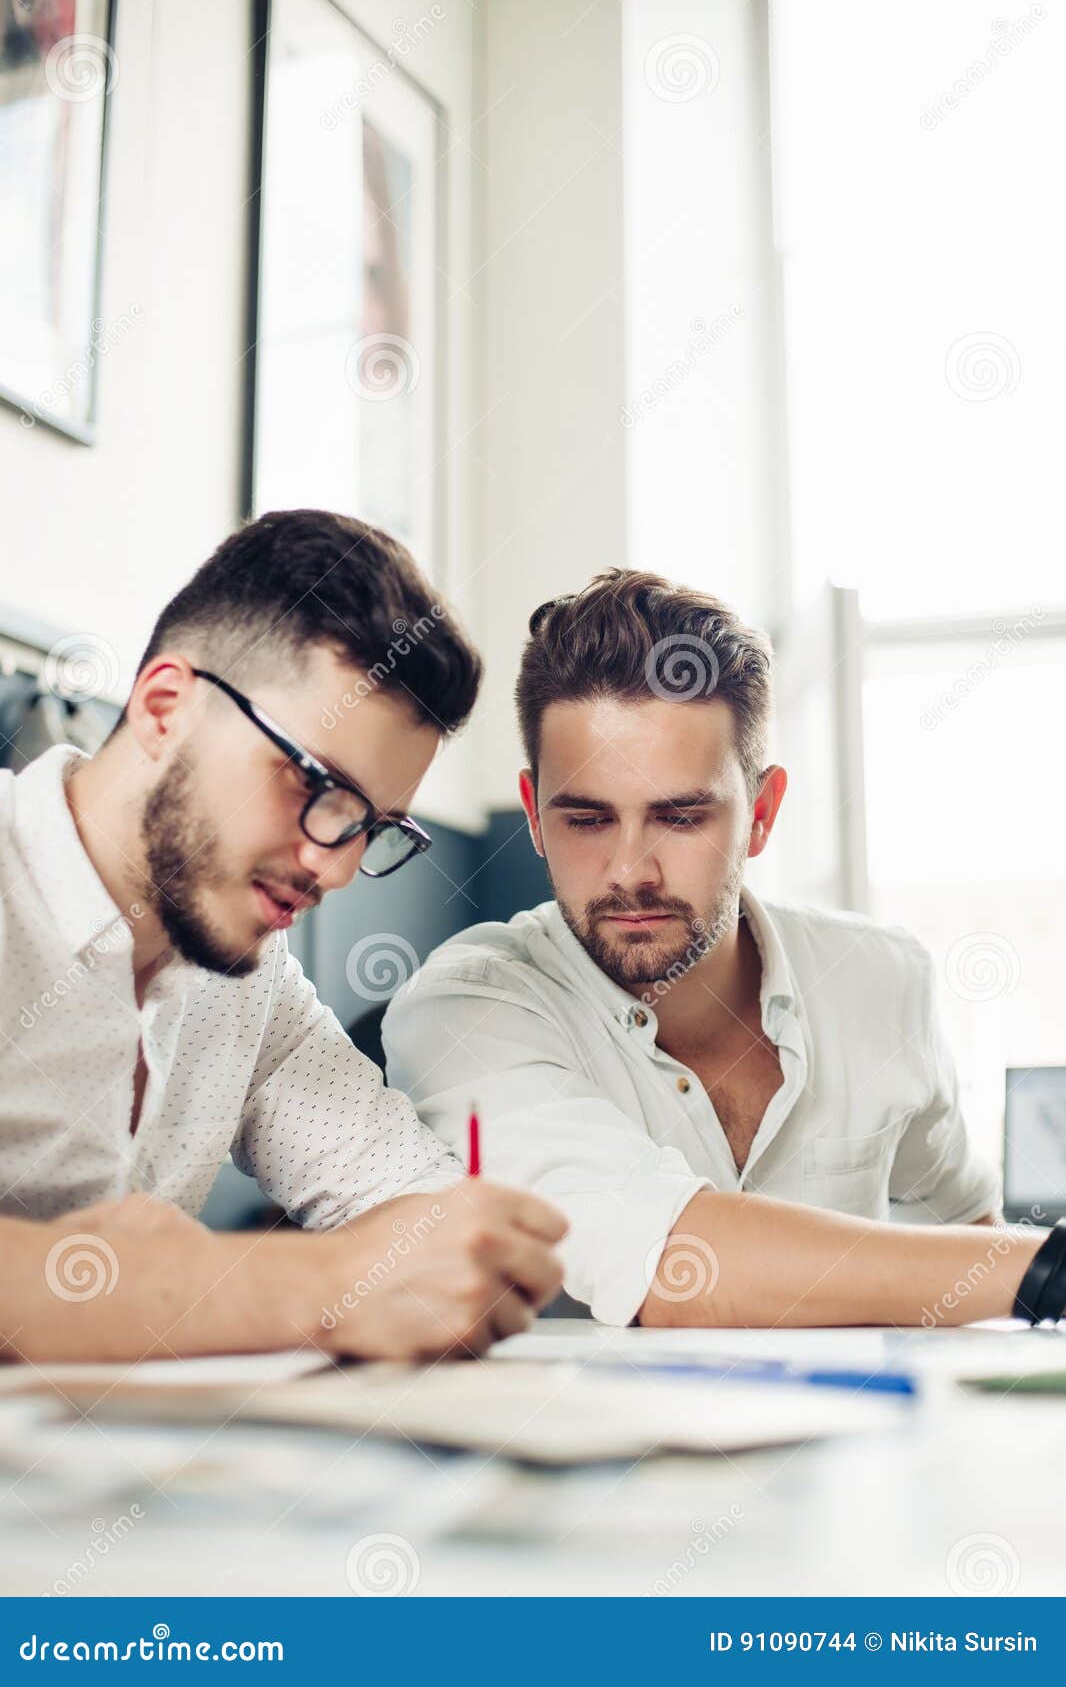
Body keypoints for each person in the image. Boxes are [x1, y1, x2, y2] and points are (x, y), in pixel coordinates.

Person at [383, 570, 1043, 1329]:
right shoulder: (466, 1011)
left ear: (760, 814)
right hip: (586, 1446)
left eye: (680, 816)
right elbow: (675, 1267)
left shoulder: (880, 979)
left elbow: (966, 1232)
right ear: (534, 816)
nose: (631, 872)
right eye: (588, 821)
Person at [0, 509, 565, 1364]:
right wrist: (314, 1286)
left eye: (373, 827)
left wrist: (471, 1256)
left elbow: (406, 1200)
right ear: (164, 708)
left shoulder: (249, 980)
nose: (333, 869)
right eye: (315, 784)